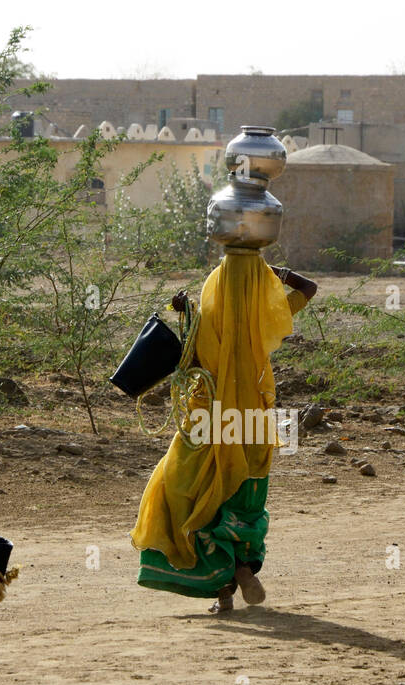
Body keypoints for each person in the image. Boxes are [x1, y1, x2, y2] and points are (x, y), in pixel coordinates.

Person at [131, 253, 316, 613]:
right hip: (253, 423)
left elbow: (190, 364)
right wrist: (277, 273)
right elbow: (309, 288)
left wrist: (186, 314)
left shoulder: (205, 319)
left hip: (209, 423)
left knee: (190, 494)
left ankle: (224, 592)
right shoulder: (266, 314)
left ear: (218, 282)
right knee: (244, 498)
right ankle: (244, 567)